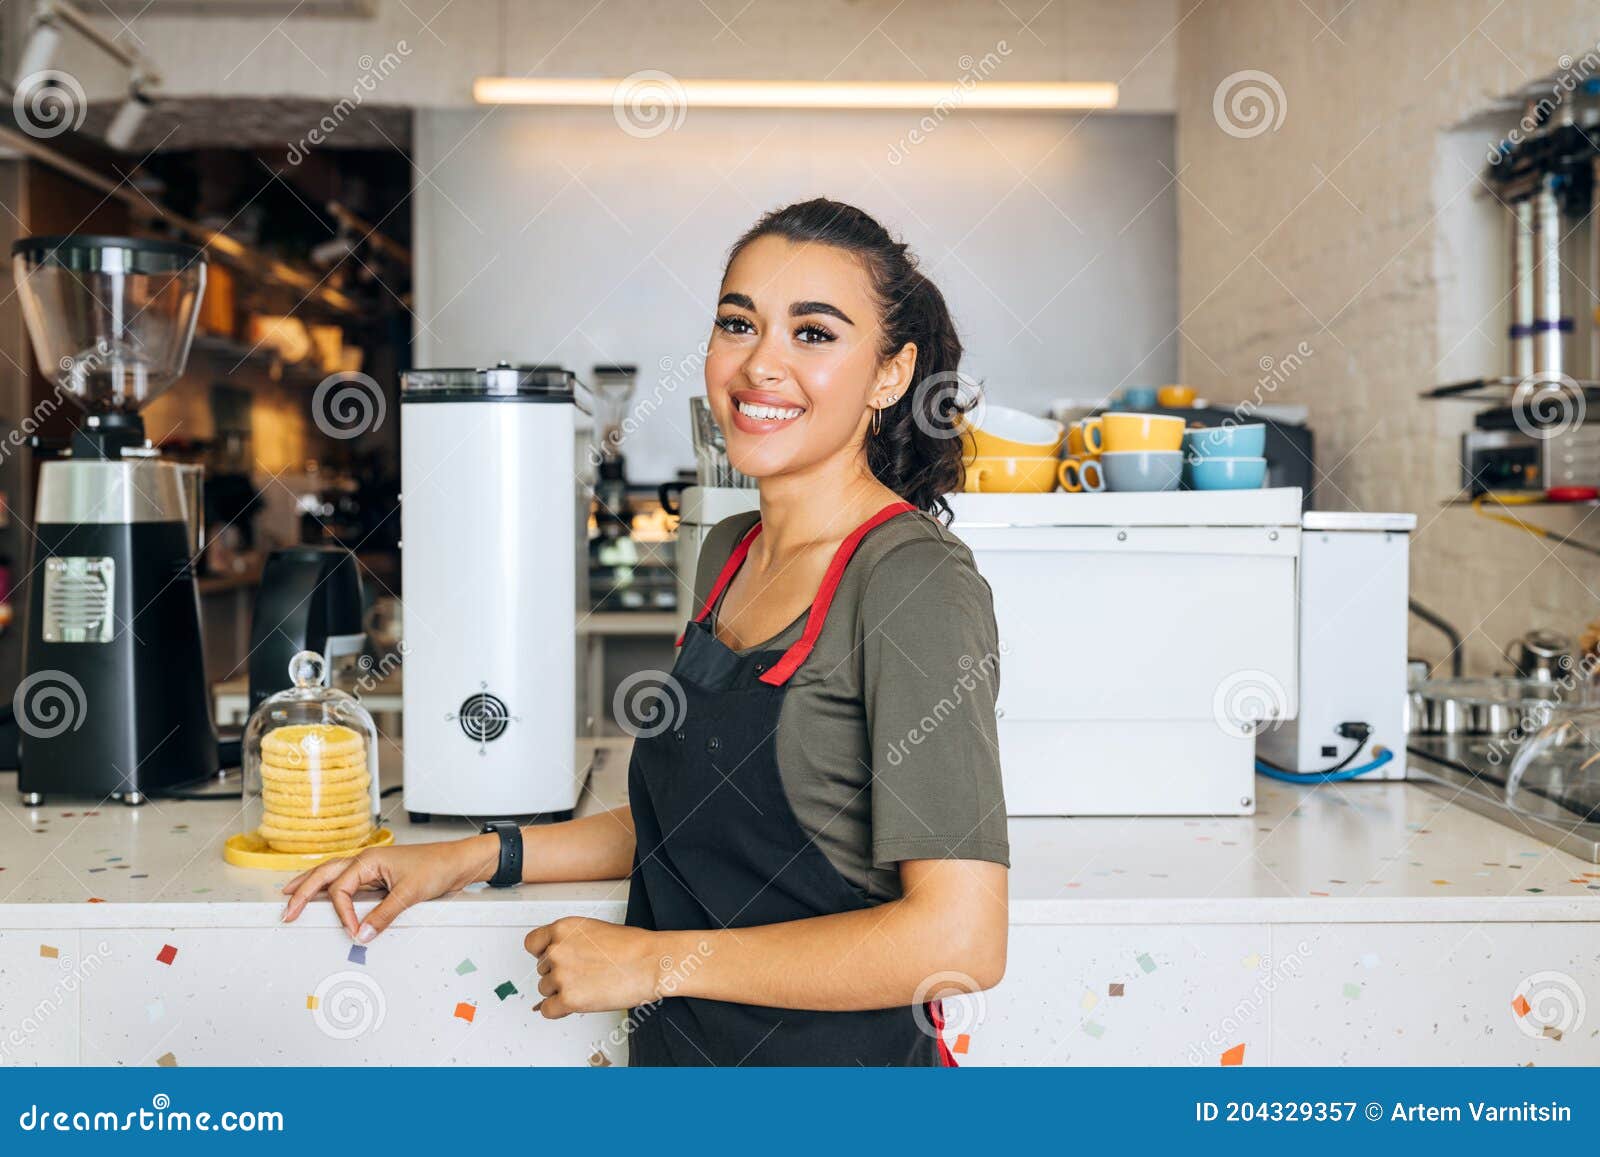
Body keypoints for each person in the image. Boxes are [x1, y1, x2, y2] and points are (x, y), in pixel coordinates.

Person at [282, 198, 1010, 1066]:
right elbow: (686, 818)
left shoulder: (912, 582)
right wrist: (463, 859)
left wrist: (657, 961)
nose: (760, 364)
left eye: (813, 333)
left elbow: (959, 941)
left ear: (891, 375)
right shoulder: (731, 555)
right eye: (738, 323)